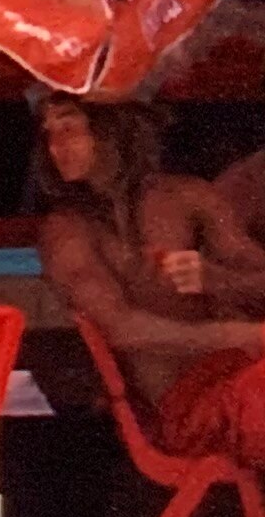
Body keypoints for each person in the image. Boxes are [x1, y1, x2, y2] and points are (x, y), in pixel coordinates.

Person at [31, 92, 265, 459]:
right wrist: (237, 335)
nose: (56, 147)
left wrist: (218, 280)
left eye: (69, 128)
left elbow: (255, 274)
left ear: (112, 129)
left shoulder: (189, 197)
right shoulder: (67, 232)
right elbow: (122, 329)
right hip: (182, 406)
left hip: (244, 376)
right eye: (49, 134)